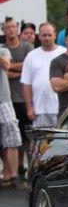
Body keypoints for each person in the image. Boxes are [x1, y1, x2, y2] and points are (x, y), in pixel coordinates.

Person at [3, 17, 33, 180]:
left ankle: (31, 170)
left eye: (13, 27)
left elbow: (29, 66)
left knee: (27, 137)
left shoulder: (27, 46)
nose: (11, 30)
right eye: (7, 27)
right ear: (4, 30)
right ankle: (15, 170)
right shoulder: (3, 48)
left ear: (17, 28)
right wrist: (21, 70)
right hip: (8, 99)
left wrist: (11, 70)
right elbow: (5, 72)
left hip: (24, 98)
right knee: (11, 138)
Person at [21, 23, 66, 129]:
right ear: (39, 36)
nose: (47, 38)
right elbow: (26, 84)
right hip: (39, 110)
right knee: (41, 139)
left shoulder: (64, 53)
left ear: (55, 35)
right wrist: (29, 108)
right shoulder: (31, 56)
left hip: (61, 108)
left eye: (49, 35)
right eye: (44, 35)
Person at [0, 45, 22, 188]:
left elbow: (6, 66)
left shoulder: (3, 50)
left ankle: (14, 176)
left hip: (3, 100)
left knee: (12, 135)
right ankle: (6, 174)